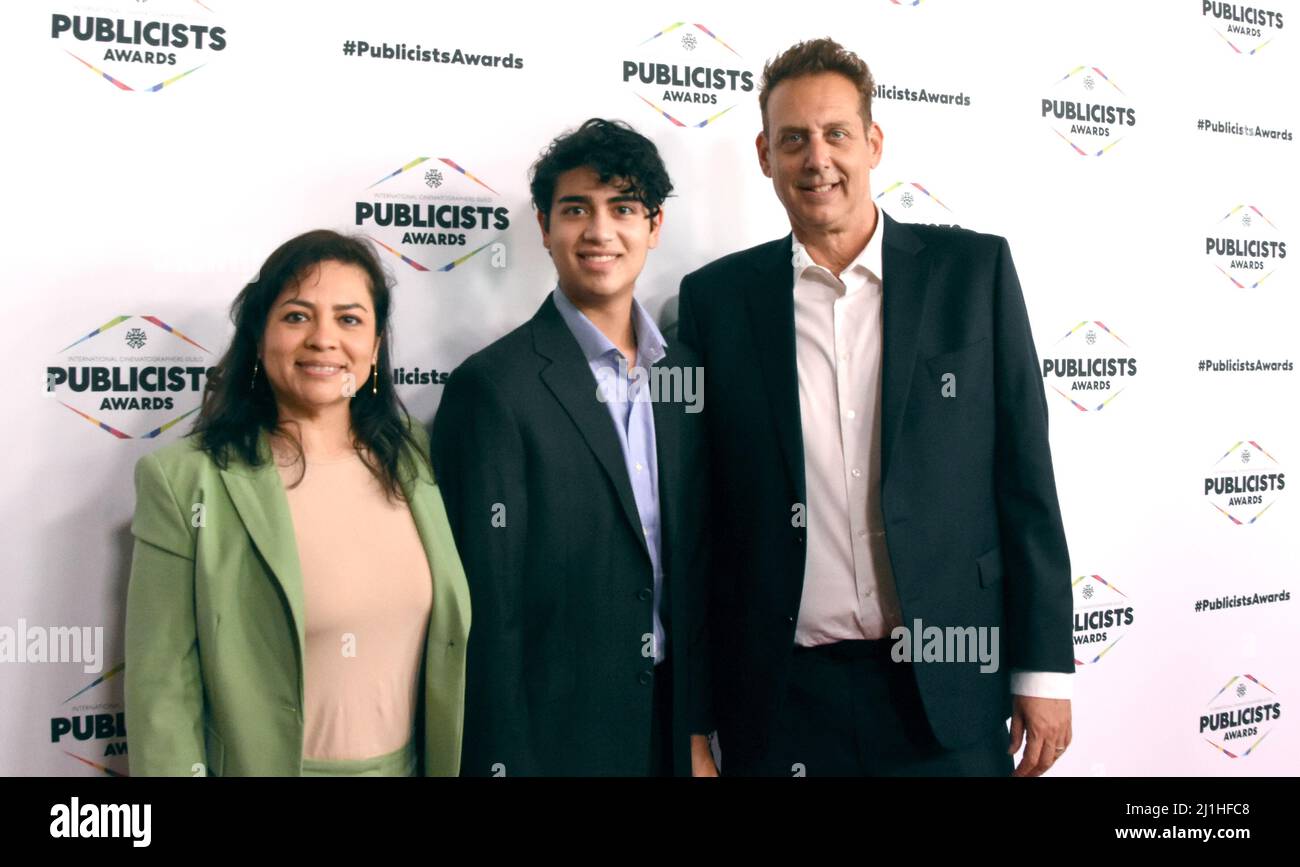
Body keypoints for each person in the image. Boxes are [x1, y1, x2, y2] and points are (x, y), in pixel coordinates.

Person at [676, 38, 1073, 777]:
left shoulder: (974, 274)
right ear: (765, 155)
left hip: (947, 689)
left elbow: (1027, 483)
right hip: (783, 703)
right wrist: (695, 719)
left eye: (835, 134)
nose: (815, 157)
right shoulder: (715, 303)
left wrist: (1042, 671)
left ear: (873, 143)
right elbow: (700, 526)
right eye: (792, 138)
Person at [125, 229, 470, 776]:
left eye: (350, 319)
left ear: (376, 346)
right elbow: (161, 691)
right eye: (297, 316)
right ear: (260, 338)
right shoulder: (185, 481)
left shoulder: (417, 457)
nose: (323, 339)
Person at [431, 118, 716, 776]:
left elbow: (698, 565)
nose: (599, 231)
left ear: (654, 227)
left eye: (623, 208)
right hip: (552, 741)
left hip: (671, 732)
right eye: (576, 209)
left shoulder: (686, 377)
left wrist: (697, 731)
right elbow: (483, 610)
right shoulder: (493, 387)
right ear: (543, 226)